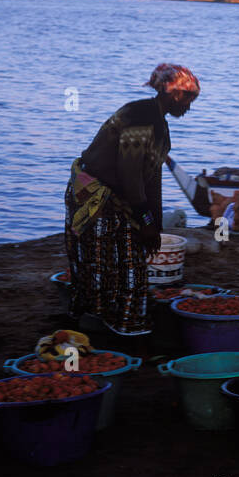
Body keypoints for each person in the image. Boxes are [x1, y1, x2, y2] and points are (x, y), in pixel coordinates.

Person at [66, 63, 200, 336]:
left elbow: (152, 177)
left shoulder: (160, 126)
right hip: (96, 197)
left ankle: (124, 325)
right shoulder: (139, 116)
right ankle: (98, 328)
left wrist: (156, 224)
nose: (189, 106)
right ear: (171, 93)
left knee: (130, 264)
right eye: (187, 98)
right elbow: (130, 174)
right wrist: (146, 221)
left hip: (121, 198)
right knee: (102, 264)